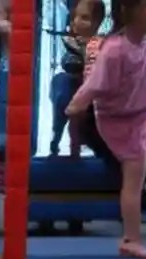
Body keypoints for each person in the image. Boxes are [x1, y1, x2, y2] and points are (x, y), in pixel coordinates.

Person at [66, 0, 146, 259]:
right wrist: (77, 103)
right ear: (127, 12)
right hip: (115, 120)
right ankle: (131, 239)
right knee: (133, 182)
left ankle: (132, 238)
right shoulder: (115, 49)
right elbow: (96, 83)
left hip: (139, 119)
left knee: (135, 182)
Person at [48, 0, 105, 156]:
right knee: (66, 97)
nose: (77, 22)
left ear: (97, 22)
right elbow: (68, 62)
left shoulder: (101, 43)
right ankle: (60, 141)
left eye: (84, 18)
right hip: (76, 88)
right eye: (74, 18)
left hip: (92, 91)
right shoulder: (72, 41)